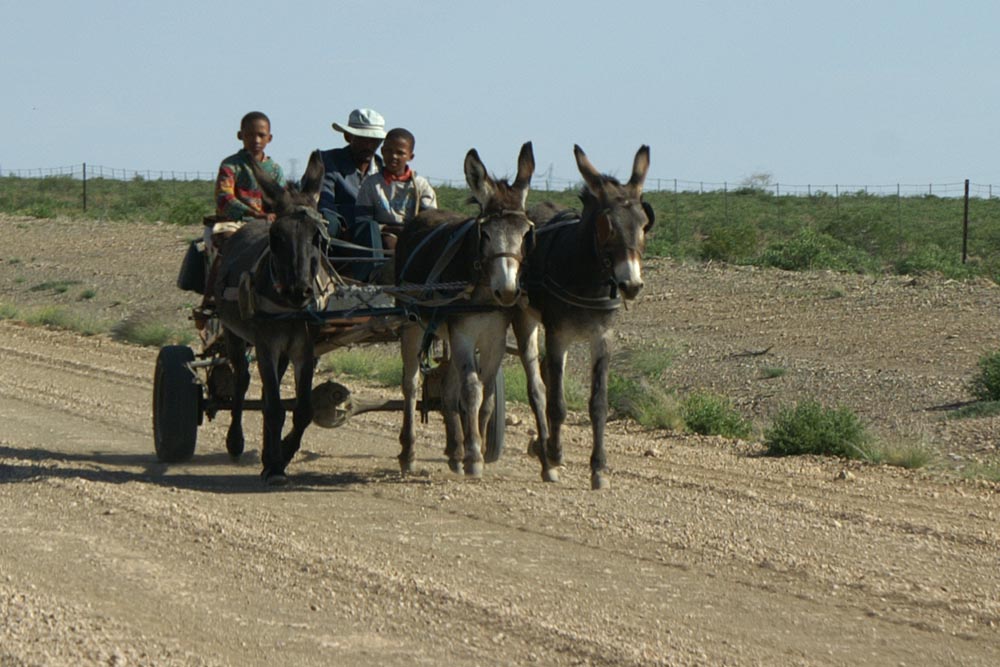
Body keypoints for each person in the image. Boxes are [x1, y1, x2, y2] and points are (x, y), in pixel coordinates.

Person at [196, 111, 285, 326]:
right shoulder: (231, 165)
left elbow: (280, 199)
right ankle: (212, 298)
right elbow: (224, 197)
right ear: (240, 136)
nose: (256, 140)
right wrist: (253, 213)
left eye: (261, 135)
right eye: (250, 135)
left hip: (264, 223)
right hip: (234, 221)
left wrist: (274, 214)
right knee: (228, 244)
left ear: (269, 138)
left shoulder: (275, 169)